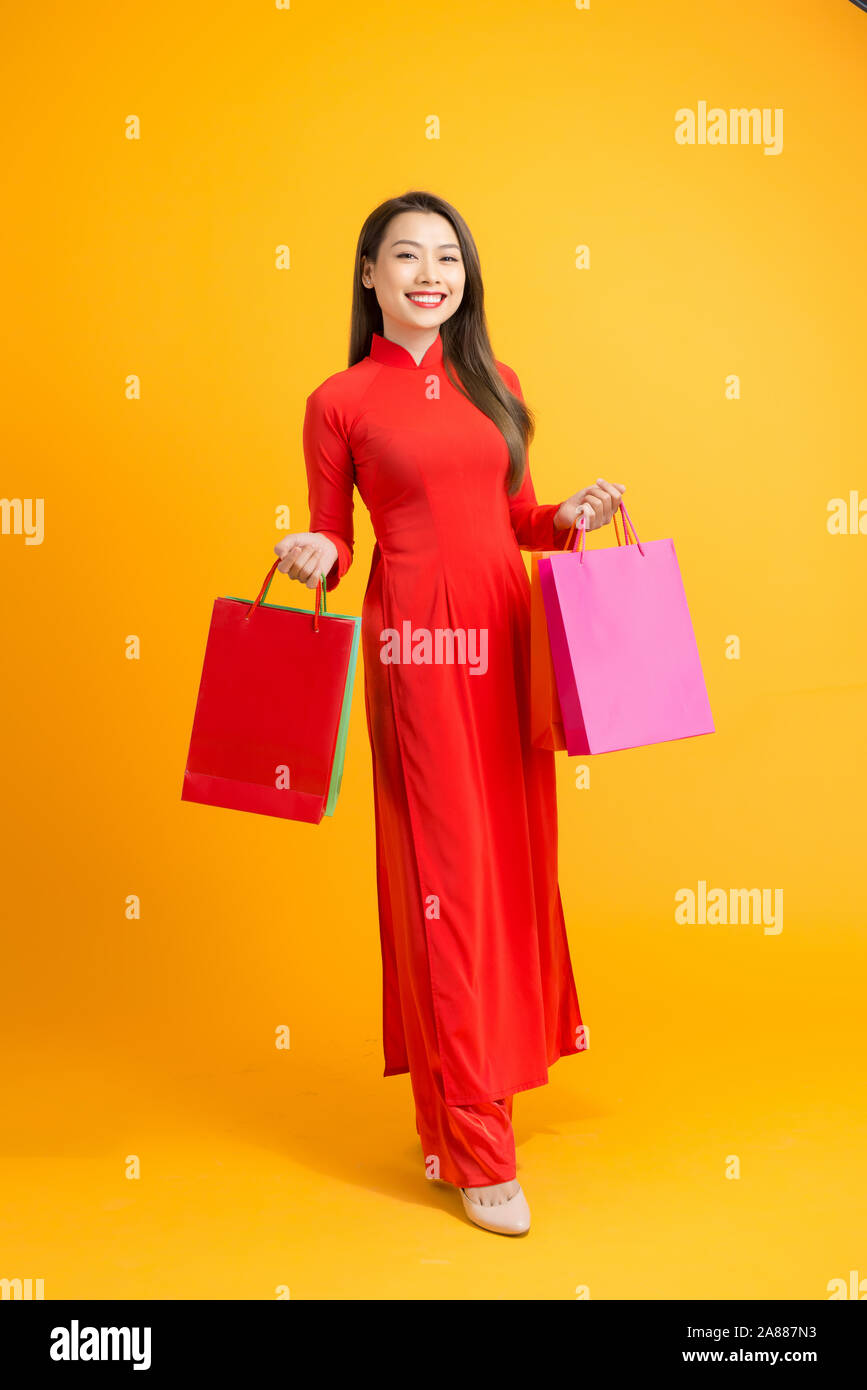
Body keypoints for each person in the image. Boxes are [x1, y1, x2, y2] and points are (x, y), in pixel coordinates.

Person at [275, 190, 625, 1235]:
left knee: (509, 869)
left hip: (506, 642)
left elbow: (514, 518)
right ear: (369, 275)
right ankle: (479, 1144)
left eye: (448, 258)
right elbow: (334, 532)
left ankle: (444, 1119)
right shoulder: (338, 400)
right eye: (407, 257)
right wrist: (313, 555)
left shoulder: (496, 382)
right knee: (448, 881)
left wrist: (569, 519)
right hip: (417, 647)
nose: (432, 273)